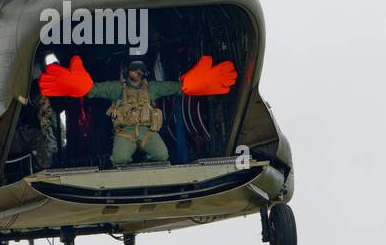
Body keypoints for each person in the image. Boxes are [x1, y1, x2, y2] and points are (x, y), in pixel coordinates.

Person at [39, 55, 238, 167]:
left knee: (162, 155)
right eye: (135, 70)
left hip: (146, 131)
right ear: (128, 72)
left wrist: (189, 84)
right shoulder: (118, 88)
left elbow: (173, 88)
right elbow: (95, 90)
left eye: (141, 70)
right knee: (119, 159)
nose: (138, 73)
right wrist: (82, 86)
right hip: (125, 132)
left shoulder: (151, 88)